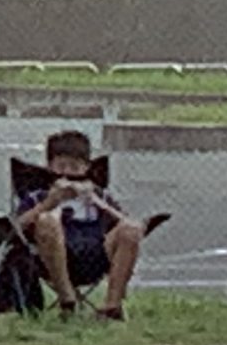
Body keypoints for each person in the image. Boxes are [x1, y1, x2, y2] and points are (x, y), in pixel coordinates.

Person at [15, 130, 143, 320]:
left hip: (96, 256)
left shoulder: (99, 195)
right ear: (50, 166)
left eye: (74, 167)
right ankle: (68, 300)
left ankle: (112, 307)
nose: (67, 173)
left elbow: (130, 225)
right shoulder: (38, 196)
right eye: (61, 166)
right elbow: (15, 228)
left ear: (86, 168)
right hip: (52, 260)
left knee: (131, 229)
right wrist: (48, 204)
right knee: (47, 220)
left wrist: (99, 203)